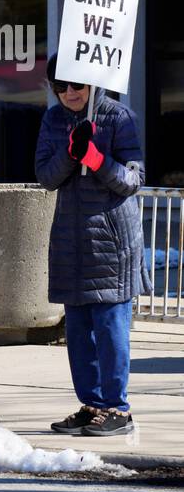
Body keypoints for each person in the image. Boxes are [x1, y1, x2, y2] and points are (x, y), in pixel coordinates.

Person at [37, 54, 148, 437]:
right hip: (71, 238)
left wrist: (96, 159)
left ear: (93, 83)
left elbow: (133, 179)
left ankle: (118, 408)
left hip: (112, 240)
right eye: (60, 86)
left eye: (76, 85)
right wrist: (71, 155)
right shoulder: (52, 120)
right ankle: (92, 403)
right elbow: (46, 177)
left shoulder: (119, 117)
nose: (69, 93)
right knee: (79, 331)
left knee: (109, 327)